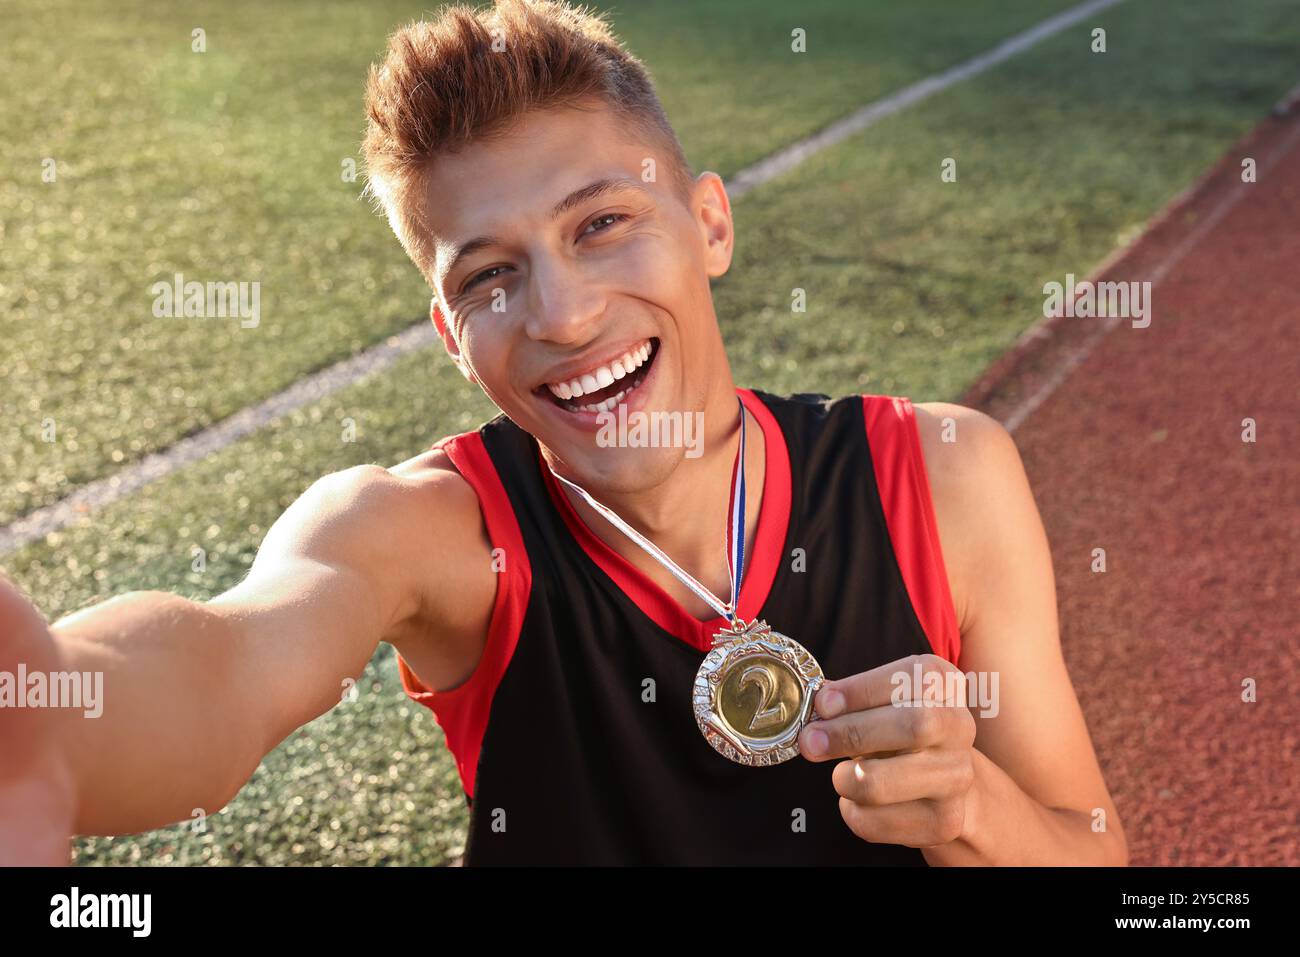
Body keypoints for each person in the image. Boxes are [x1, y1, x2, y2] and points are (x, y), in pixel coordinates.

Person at [0, 0, 1126, 866]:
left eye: (602, 223)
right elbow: (228, 661)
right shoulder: (428, 535)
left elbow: (1093, 853)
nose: (563, 314)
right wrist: (47, 718)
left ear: (710, 224)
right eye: (489, 277)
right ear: (452, 336)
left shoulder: (939, 476)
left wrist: (974, 809)